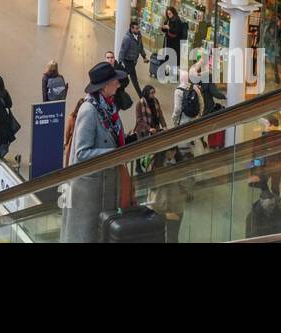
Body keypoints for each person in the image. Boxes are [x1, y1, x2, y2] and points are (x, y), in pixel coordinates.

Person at [59, 62, 130, 243]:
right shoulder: (89, 110)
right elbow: (81, 153)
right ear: (105, 86)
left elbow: (112, 135)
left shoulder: (109, 108)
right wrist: (113, 154)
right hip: (89, 194)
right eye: (115, 81)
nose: (119, 84)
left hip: (104, 187)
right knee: (87, 236)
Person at [147, 146, 193, 242]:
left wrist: (183, 187)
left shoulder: (181, 162)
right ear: (164, 152)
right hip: (158, 207)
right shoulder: (155, 163)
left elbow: (189, 182)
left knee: (173, 237)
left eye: (174, 152)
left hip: (175, 206)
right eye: (169, 152)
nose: (171, 155)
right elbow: (150, 183)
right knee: (157, 237)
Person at [118, 20, 147, 97]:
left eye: (138, 28)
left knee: (124, 75)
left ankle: (116, 87)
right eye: (136, 28)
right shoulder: (127, 38)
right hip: (128, 61)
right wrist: (120, 62)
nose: (138, 30)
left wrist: (144, 56)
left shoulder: (139, 35)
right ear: (131, 29)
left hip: (134, 60)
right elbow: (122, 50)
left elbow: (140, 47)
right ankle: (141, 95)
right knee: (134, 79)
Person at [162, 6, 188, 71]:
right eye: (168, 14)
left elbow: (177, 32)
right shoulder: (168, 20)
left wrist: (169, 28)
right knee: (168, 58)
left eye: (170, 13)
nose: (169, 15)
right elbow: (164, 30)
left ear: (173, 13)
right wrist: (163, 28)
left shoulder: (177, 20)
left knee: (174, 59)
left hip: (175, 43)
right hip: (169, 42)